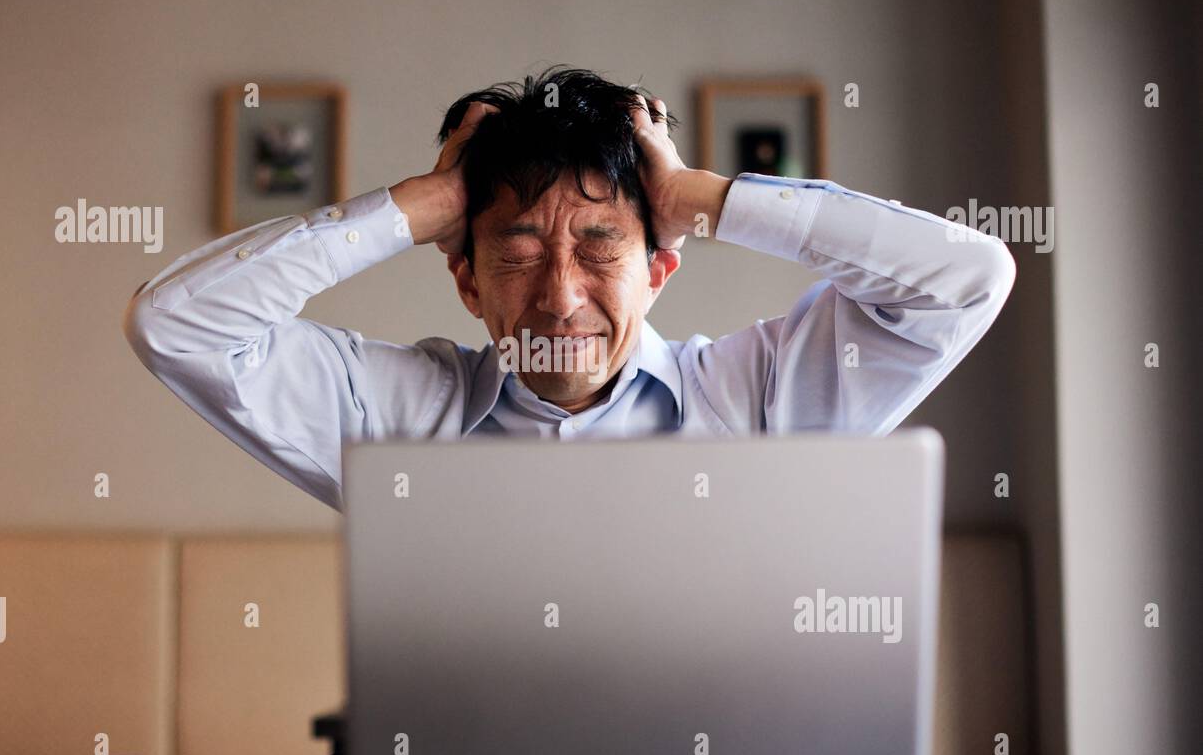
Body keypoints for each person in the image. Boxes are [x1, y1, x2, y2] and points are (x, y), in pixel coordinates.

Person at [123, 66, 1015, 514]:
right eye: (515, 251)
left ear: (660, 268)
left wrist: (694, 197)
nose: (559, 296)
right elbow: (177, 326)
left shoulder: (765, 401)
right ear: (466, 280)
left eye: (599, 245)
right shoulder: (393, 419)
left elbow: (968, 280)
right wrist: (425, 204)